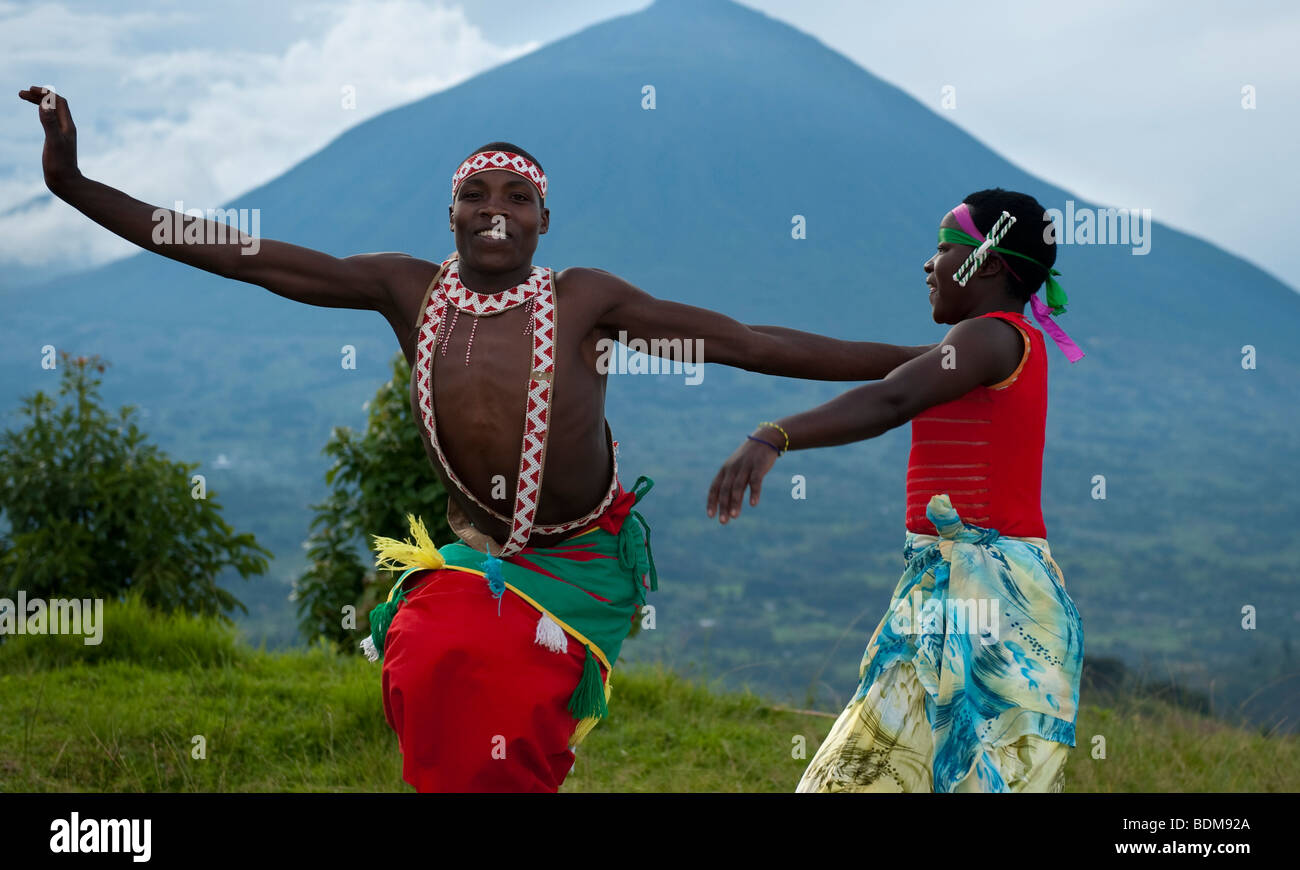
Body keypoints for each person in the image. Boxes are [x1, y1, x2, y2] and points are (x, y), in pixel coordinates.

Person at [21, 85, 936, 792]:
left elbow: (749, 342)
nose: (494, 207)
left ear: (544, 221)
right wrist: (72, 183)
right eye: (474, 192)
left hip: (579, 556)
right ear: (450, 214)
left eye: (516, 195)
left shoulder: (586, 301)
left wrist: (928, 363)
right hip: (473, 553)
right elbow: (238, 253)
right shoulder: (406, 290)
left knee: (520, 705)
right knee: (427, 657)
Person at [707, 188, 1086, 792]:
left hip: (988, 601)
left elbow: (892, 398)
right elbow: (840, 357)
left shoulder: (991, 338)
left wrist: (776, 435)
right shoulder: (974, 349)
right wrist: (728, 342)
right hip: (957, 589)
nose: (929, 265)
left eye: (942, 248)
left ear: (983, 263)